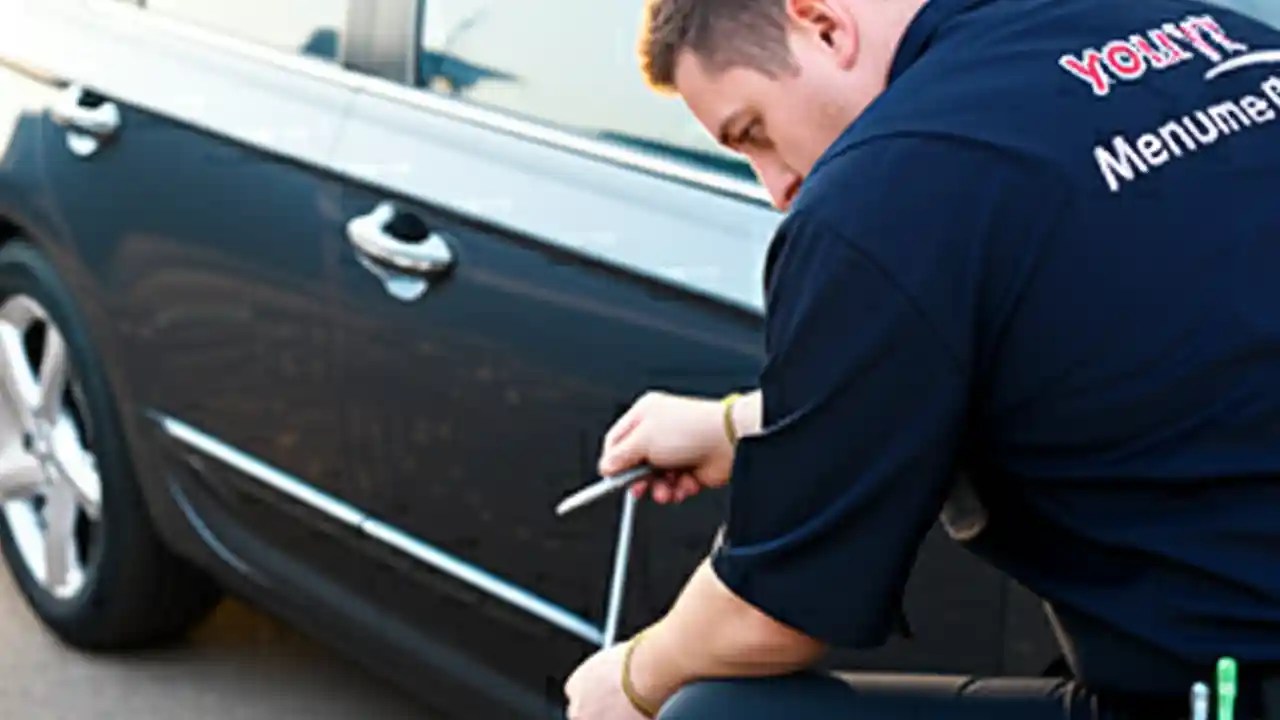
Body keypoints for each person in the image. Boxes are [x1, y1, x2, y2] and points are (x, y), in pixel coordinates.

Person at [562, 0, 1280, 717]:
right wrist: (736, 428)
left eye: (754, 132)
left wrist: (627, 680)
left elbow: (774, 613)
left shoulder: (886, 189)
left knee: (708, 713)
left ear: (821, 24)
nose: (777, 188)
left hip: (1227, 694)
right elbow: (1142, 347)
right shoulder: (1197, 29)